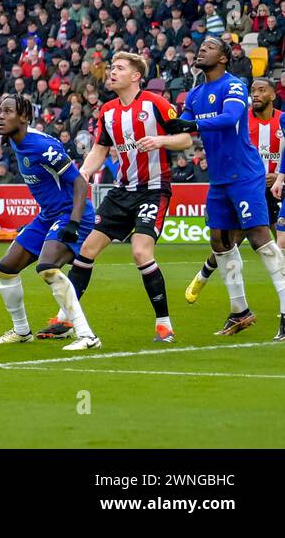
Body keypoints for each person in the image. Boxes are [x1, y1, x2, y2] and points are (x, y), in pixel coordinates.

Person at [62, 53, 192, 343]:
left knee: (140, 252)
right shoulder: (107, 110)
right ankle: (66, 318)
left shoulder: (155, 103)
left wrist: (161, 140)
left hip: (154, 190)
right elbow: (99, 150)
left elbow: (185, 139)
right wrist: (81, 175)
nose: (112, 72)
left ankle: (164, 325)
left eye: (119, 68)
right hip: (121, 192)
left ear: (136, 76)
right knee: (86, 250)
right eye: (111, 68)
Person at [171, 37, 285, 340]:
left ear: (223, 57)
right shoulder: (194, 94)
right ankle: (240, 311)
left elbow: (231, 117)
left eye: (209, 47)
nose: (201, 50)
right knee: (219, 242)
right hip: (219, 179)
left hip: (245, 174)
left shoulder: (233, 85)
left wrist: (191, 126)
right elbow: (179, 128)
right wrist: (163, 124)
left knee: (259, 236)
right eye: (200, 47)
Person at [0, 95, 99, 350]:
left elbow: (80, 182)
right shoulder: (15, 141)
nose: (0, 116)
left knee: (47, 266)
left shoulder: (41, 146)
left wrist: (74, 222)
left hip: (71, 213)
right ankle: (21, 331)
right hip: (47, 215)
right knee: (6, 267)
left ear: (24, 118)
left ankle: (87, 335)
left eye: (7, 111)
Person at [187, 77, 284, 298]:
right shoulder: (242, 119)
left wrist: (280, 177)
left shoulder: (283, 121)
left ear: (273, 95)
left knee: (278, 242)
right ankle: (203, 275)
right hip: (247, 186)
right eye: (253, 90)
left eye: (262, 90)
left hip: (277, 189)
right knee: (231, 241)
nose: (256, 94)